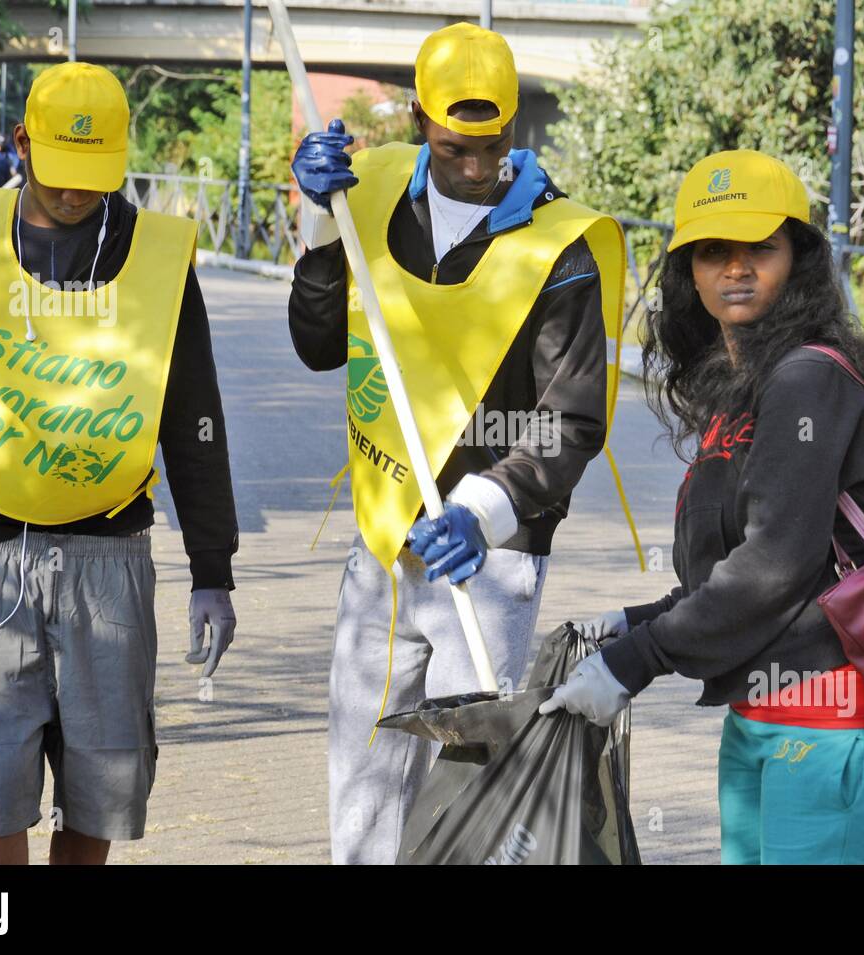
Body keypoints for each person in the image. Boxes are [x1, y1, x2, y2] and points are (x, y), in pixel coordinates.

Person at [0, 63, 240, 865]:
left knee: (100, 782)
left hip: (110, 557)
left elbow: (193, 421)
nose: (74, 196)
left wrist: (213, 567)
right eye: (60, 176)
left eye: (93, 179)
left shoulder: (162, 260)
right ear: (24, 144)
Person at [287, 22, 626, 864]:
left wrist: (485, 509)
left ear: (513, 127)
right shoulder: (364, 197)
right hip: (381, 547)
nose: (475, 166)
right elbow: (319, 344)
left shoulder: (559, 246)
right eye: (453, 147)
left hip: (489, 564)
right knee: (363, 784)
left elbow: (573, 417)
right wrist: (320, 228)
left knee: (465, 790)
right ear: (418, 118)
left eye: (492, 145)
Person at [543, 150, 864, 865]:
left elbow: (775, 566)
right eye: (713, 251)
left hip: (828, 720)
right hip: (760, 715)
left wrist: (635, 660)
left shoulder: (806, 378)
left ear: (799, 260)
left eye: (760, 248)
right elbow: (746, 561)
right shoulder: (749, 382)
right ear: (687, 271)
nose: (736, 268)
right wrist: (638, 619)